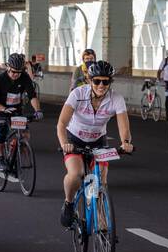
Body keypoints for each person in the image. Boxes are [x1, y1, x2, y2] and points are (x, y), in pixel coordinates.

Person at [57, 61, 134, 227]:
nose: (101, 85)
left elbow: (123, 125)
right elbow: (61, 124)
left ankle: (100, 221)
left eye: (105, 81)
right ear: (89, 80)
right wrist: (65, 144)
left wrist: (126, 142)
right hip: (74, 140)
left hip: (98, 141)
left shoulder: (116, 99)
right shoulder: (77, 94)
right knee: (76, 174)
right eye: (97, 81)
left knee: (99, 181)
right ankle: (69, 202)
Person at [0, 53, 42, 161]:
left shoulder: (25, 78)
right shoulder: (0, 79)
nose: (16, 74)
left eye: (19, 72)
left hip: (17, 110)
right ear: (8, 67)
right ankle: (0, 158)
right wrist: (4, 109)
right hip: (1, 109)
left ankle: (17, 149)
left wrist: (38, 110)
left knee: (25, 134)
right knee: (2, 132)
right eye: (13, 71)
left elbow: (32, 96)